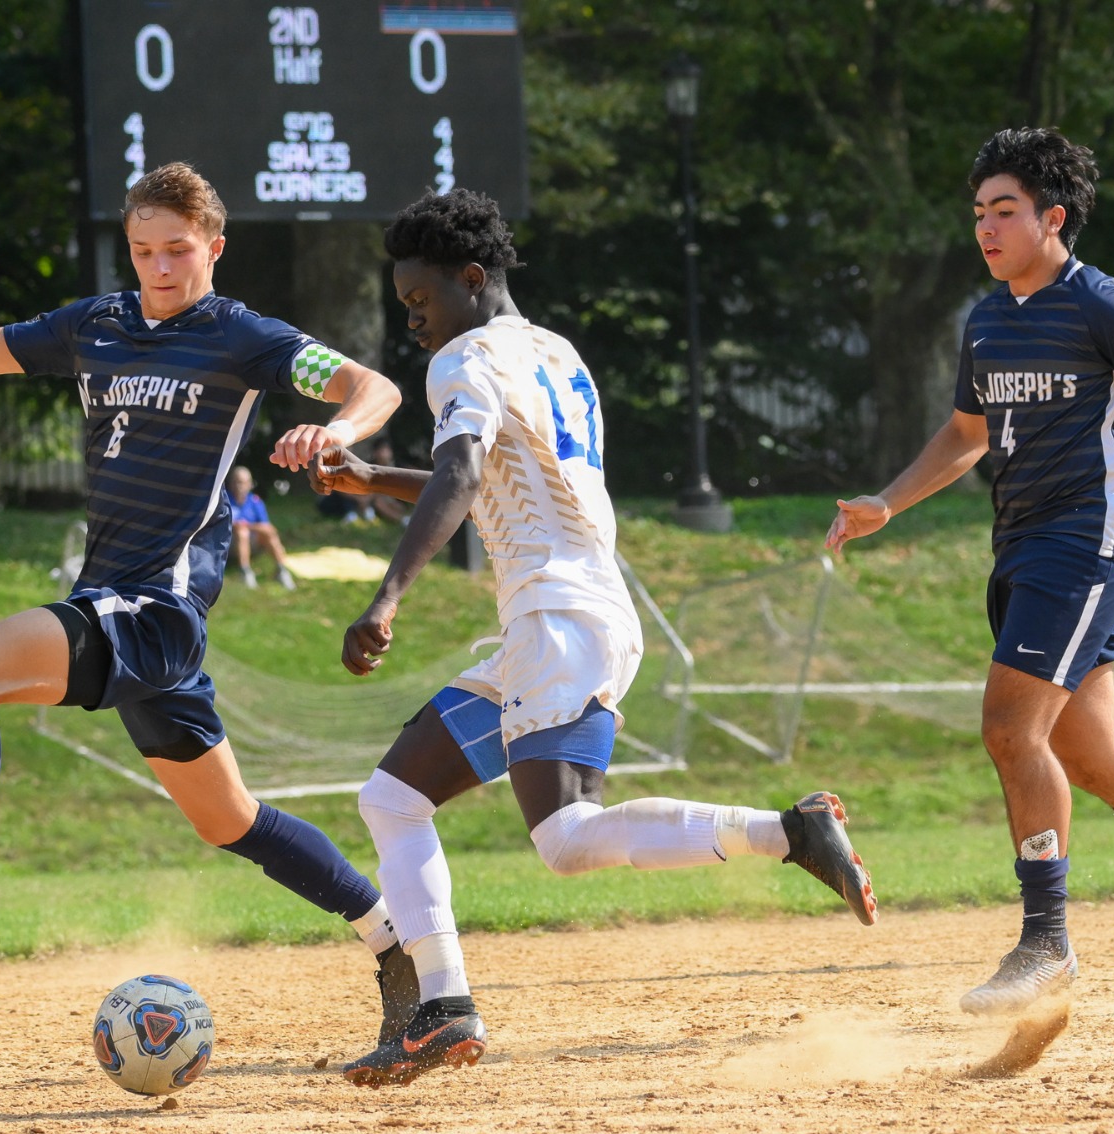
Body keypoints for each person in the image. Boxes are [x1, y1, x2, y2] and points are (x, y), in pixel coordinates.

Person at [0, 163, 421, 1046]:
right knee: (231, 821)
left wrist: (334, 432)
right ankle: (397, 944)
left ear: (215, 248)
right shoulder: (96, 323)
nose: (160, 267)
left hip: (158, 607)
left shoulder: (243, 334)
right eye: (144, 250)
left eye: (178, 250)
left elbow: (374, 388)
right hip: (114, 603)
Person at [311, 189, 874, 1087]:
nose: (410, 322)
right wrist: (375, 476)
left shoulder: (461, 359)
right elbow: (498, 477)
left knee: (567, 837)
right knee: (392, 796)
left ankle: (786, 831)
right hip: (574, 618)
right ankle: (443, 1008)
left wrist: (386, 598)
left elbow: (462, 472)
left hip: (555, 622)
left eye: (419, 302)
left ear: (470, 278)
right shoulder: (557, 354)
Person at [827, 128, 1114, 1007]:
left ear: (1054, 218)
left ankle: (1046, 945)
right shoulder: (990, 316)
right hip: (1022, 542)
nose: (987, 228)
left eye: (1005, 211)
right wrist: (889, 502)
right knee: (1088, 750)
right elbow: (966, 436)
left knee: (1010, 726)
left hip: (1090, 538)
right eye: (978, 213)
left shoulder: (1103, 304)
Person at [226, 465, 296, 589]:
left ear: (250, 484)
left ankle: (281, 570)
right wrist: (244, 527)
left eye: (244, 482)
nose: (240, 486)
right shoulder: (225, 501)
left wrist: (247, 526)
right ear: (231, 483)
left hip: (254, 543)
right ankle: (245, 571)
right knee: (242, 532)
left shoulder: (255, 501)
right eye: (237, 482)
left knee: (268, 533)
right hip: (230, 545)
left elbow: (267, 527)